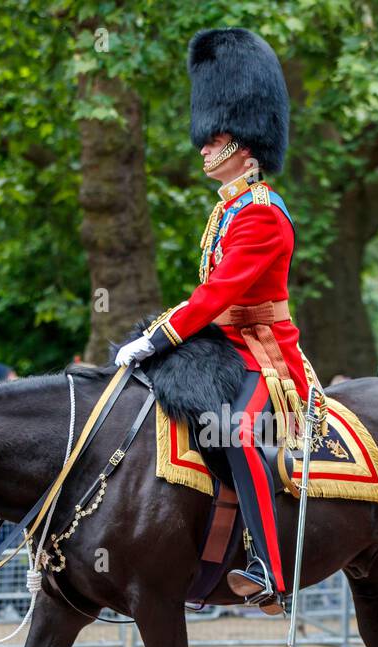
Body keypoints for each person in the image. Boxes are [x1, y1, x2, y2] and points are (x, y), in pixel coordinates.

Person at [112, 28, 312, 614]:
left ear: (244, 146)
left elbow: (221, 293)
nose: (204, 149)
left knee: (239, 435)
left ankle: (271, 571)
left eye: (216, 139)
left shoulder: (263, 215)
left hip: (264, 353)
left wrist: (158, 337)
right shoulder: (227, 211)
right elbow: (207, 296)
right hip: (225, 346)